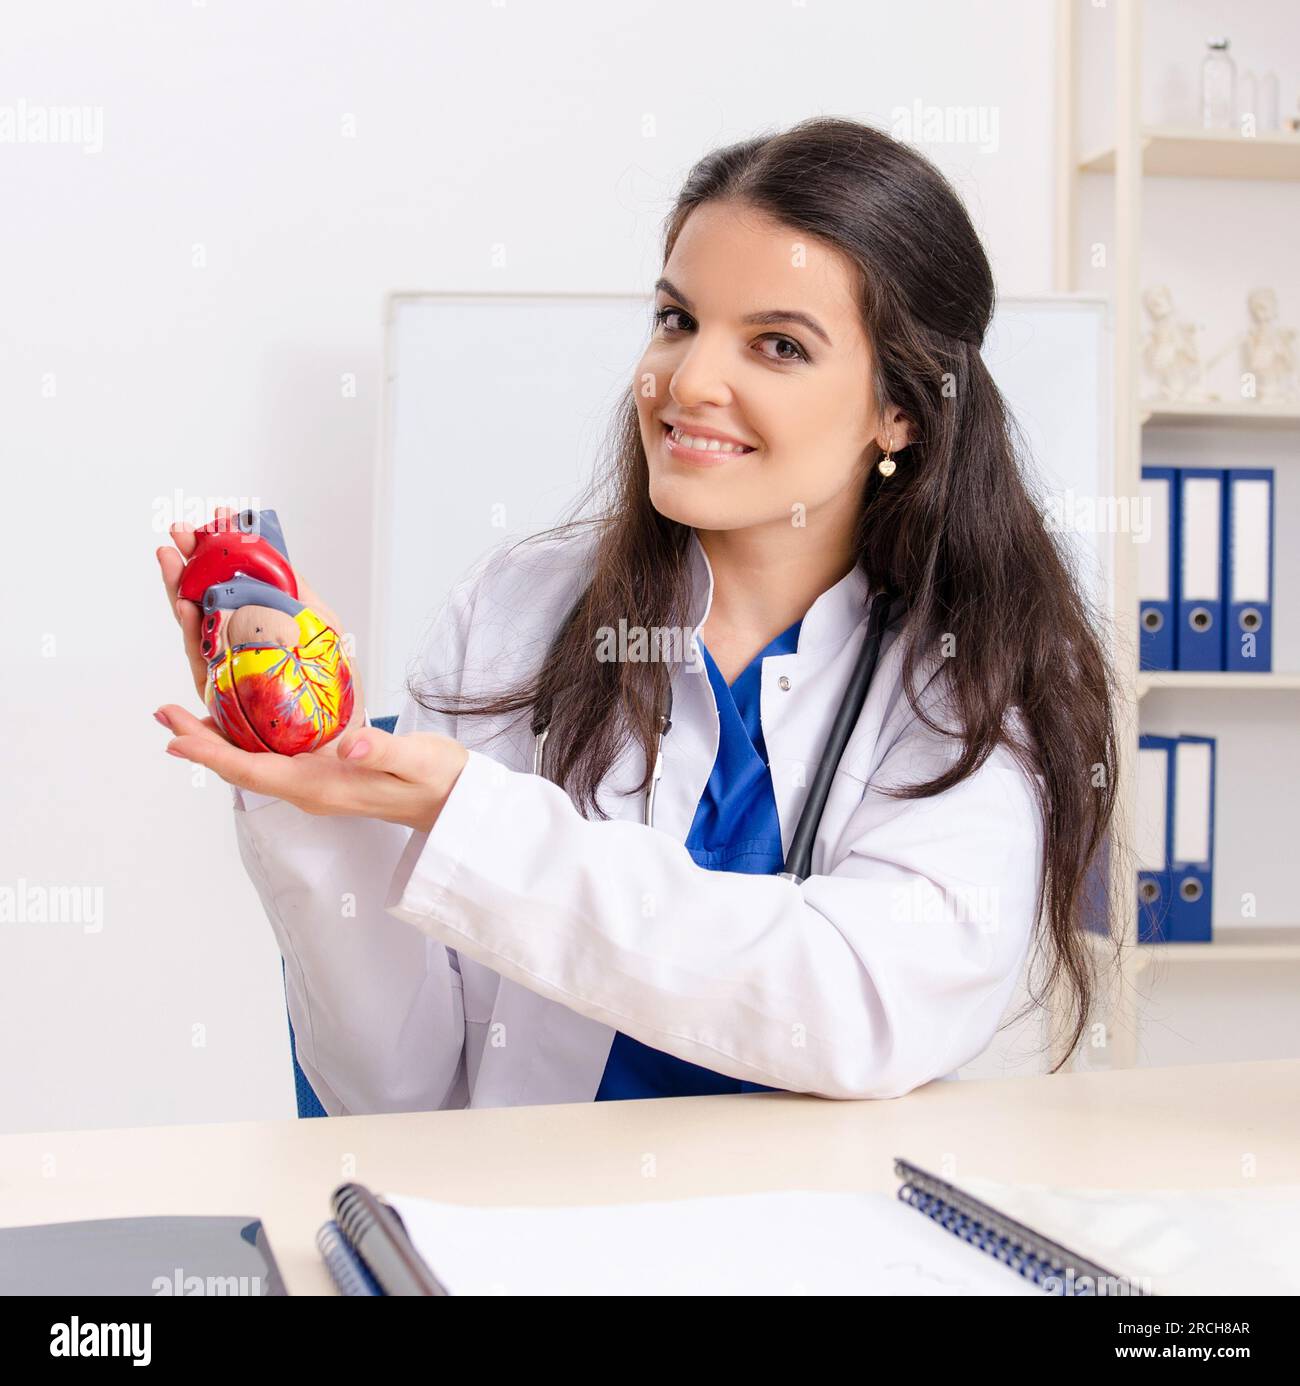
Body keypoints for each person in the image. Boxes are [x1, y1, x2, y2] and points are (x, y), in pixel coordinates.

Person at [155, 115, 1119, 1114]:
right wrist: (308, 796)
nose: (691, 381)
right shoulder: (515, 614)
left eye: (778, 345)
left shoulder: (969, 672)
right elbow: (398, 1089)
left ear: (900, 410)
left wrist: (474, 822)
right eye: (677, 320)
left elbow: (857, 1008)